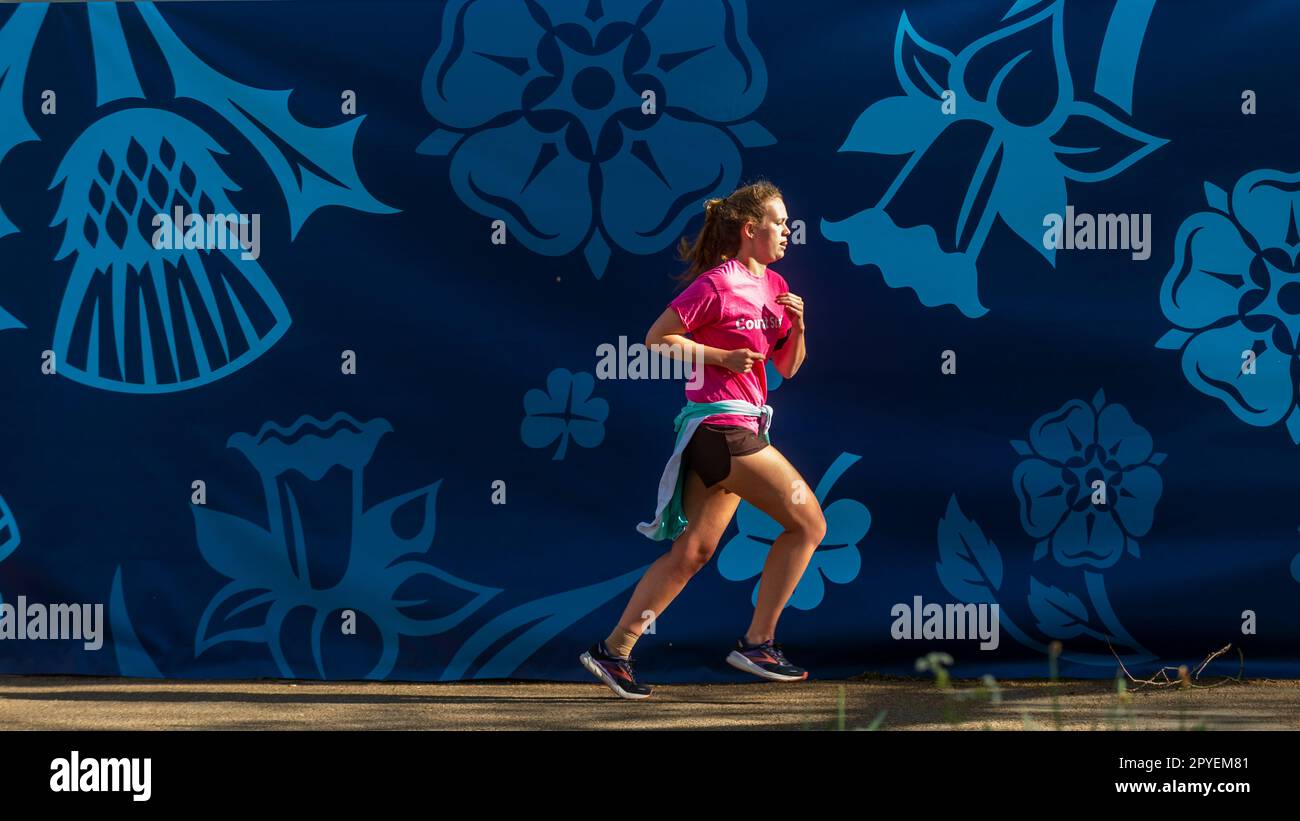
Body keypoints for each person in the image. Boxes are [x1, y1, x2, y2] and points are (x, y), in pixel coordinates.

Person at [580, 179, 826, 699]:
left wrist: (799, 329)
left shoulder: (776, 288)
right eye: (779, 223)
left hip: (743, 427)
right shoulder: (716, 284)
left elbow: (787, 366)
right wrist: (719, 358)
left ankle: (614, 650)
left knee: (693, 551)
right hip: (719, 428)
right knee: (809, 523)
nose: (787, 231)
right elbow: (656, 339)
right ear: (749, 229)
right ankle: (758, 642)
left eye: (786, 223)